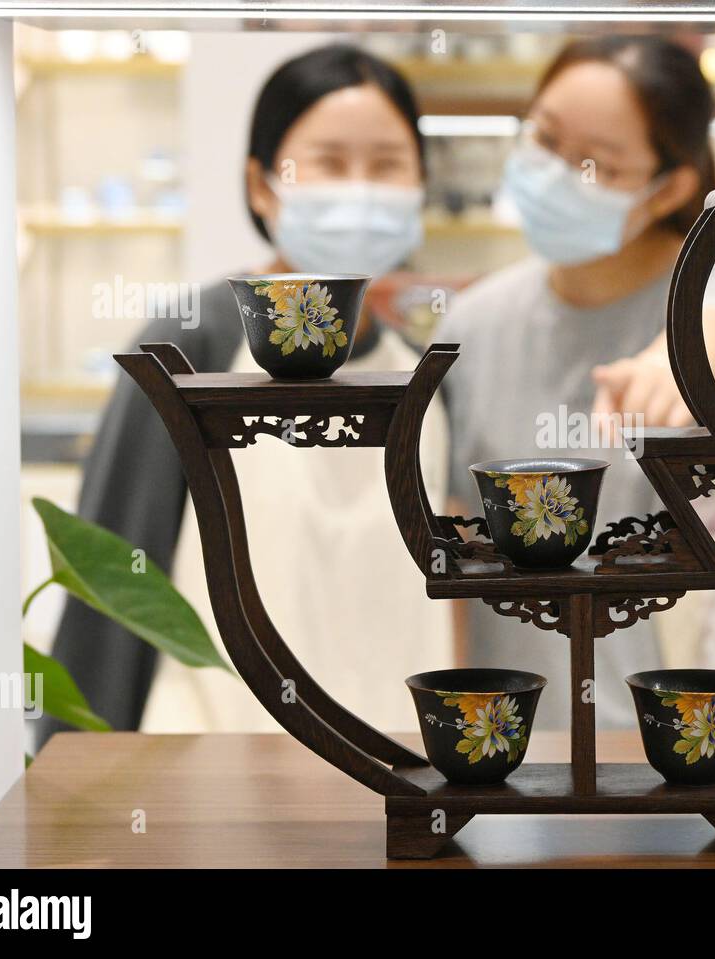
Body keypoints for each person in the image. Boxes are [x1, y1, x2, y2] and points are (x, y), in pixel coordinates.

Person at [43, 44, 451, 742]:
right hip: (208, 770)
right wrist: (74, 781)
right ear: (263, 184)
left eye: (386, 165)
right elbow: (113, 567)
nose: (359, 189)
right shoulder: (191, 342)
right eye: (327, 162)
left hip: (396, 776)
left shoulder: (425, 375)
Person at [434, 35, 715, 729]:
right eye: (545, 138)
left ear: (671, 187)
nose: (558, 174)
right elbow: (448, 541)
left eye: (599, 164)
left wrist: (677, 364)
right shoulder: (473, 324)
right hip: (512, 750)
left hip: (684, 747)